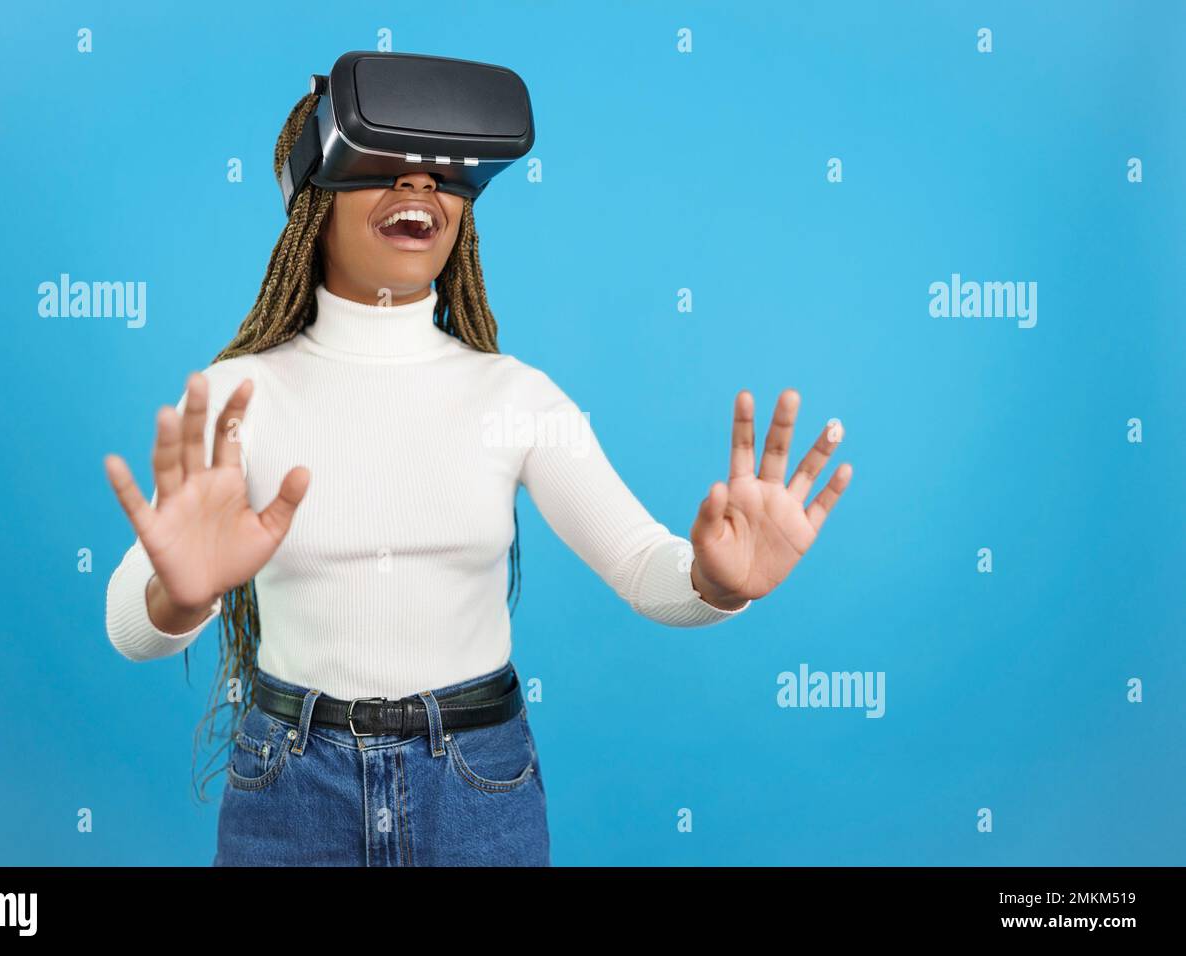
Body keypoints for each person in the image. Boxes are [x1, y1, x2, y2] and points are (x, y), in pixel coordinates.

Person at [102, 90, 853, 867]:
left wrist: (718, 584)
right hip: (291, 786)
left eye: (439, 174)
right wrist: (178, 596)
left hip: (474, 786)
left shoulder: (516, 396)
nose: (419, 186)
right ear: (311, 198)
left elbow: (640, 565)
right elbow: (128, 620)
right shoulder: (235, 396)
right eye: (383, 164)